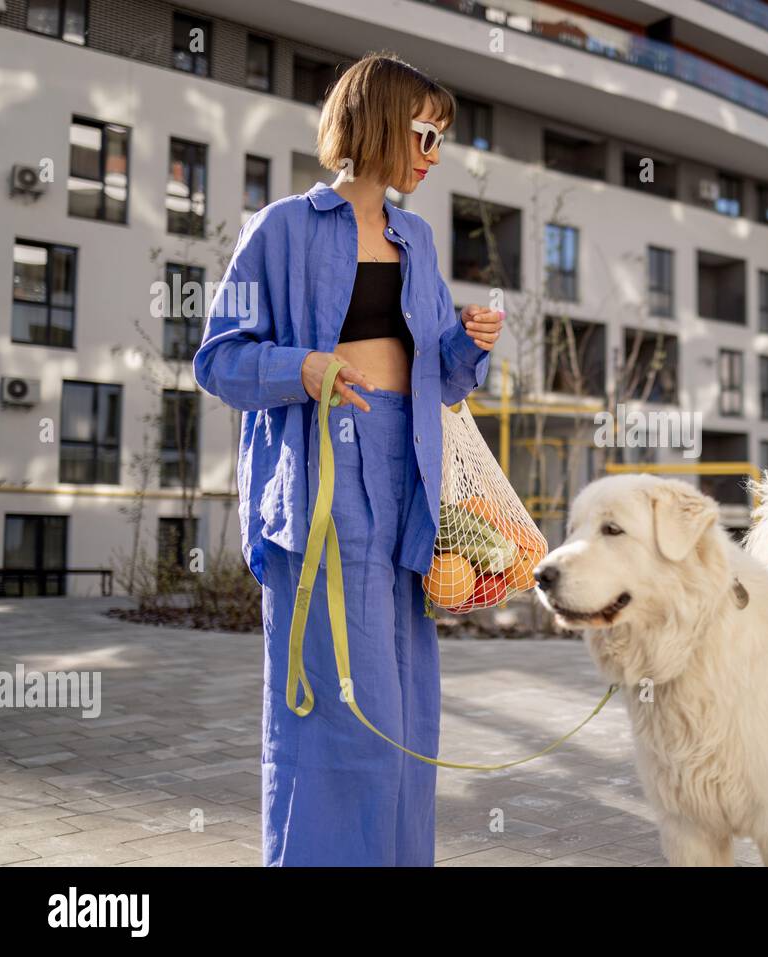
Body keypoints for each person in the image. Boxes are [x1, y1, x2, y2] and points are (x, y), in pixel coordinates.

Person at [193, 51, 504, 866]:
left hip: (411, 478)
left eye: (441, 140)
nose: (433, 156)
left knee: (405, 711)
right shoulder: (283, 228)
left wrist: (467, 345)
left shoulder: (419, 238)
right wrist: (299, 368)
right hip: (326, 481)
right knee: (336, 709)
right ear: (379, 122)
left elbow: (439, 377)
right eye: (426, 135)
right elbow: (218, 357)